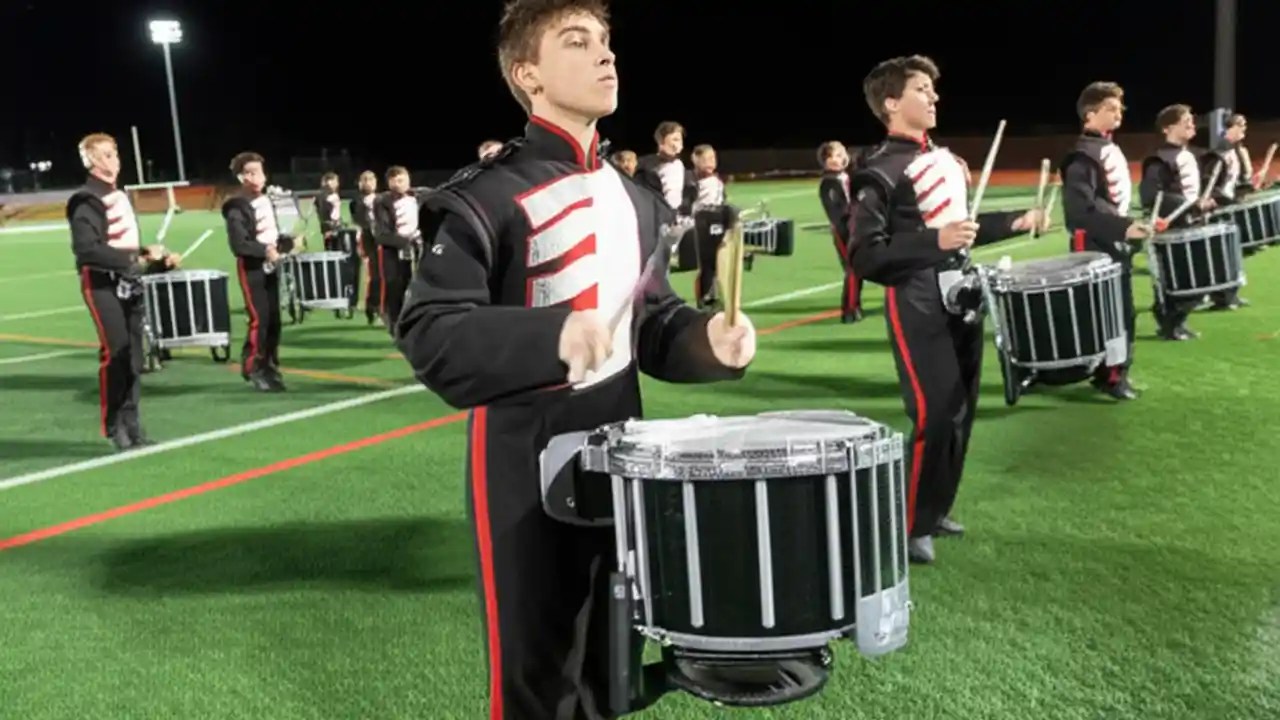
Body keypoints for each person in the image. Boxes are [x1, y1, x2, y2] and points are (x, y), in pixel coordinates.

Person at [395, 0, 756, 715]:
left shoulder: (638, 200)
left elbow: (652, 323)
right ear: (527, 74)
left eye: (607, 42)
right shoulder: (486, 196)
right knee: (538, 683)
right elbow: (429, 331)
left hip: (625, 458)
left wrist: (706, 342)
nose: (605, 56)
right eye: (578, 41)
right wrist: (549, 335)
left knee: (612, 672)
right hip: (525, 469)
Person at [847, 55, 1047, 565]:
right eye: (921, 89)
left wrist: (1018, 221)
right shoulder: (877, 172)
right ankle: (911, 523)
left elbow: (963, 228)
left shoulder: (945, 160)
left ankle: (935, 509)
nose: (934, 96)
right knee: (933, 415)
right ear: (892, 103)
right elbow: (865, 255)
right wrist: (934, 240)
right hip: (915, 298)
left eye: (934, 88)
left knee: (960, 412)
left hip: (961, 292)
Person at [68, 132, 181, 450]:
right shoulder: (86, 199)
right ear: (89, 160)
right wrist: (136, 257)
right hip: (102, 284)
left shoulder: (120, 196)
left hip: (128, 282)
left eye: (114, 154)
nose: (112, 161)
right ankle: (114, 423)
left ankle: (132, 424)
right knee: (116, 355)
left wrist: (157, 260)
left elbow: (127, 247)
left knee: (133, 357)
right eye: (103, 155)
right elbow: (87, 249)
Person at [1060, 81, 1151, 401]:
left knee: (1120, 308)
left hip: (1110, 238)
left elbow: (1110, 200)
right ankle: (1111, 375)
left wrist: (1130, 225)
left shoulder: (1104, 149)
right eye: (1111, 108)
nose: (1119, 113)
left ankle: (1112, 371)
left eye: (1120, 108)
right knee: (1109, 311)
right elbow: (1080, 211)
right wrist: (1123, 227)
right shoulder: (1082, 157)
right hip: (1095, 243)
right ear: (1090, 113)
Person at [1138, 104, 1215, 339]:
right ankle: (1169, 323)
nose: (1192, 124)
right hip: (1172, 229)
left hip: (1190, 225)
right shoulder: (1158, 160)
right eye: (1185, 121)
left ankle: (1177, 322)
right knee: (1176, 279)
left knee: (1194, 279)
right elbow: (1150, 195)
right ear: (1167, 128)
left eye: (1192, 120)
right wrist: (1191, 204)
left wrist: (1203, 203)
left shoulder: (1188, 155)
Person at [222, 151, 293, 392]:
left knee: (274, 320)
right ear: (241, 177)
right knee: (260, 318)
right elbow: (239, 245)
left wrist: (285, 243)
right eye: (250, 172)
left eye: (259, 171)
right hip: (252, 268)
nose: (257, 177)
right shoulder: (237, 207)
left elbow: (271, 233)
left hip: (270, 267)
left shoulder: (266, 200)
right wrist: (265, 251)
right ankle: (254, 367)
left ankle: (270, 363)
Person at [1201, 112, 1265, 309]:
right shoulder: (1219, 153)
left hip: (1229, 207)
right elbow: (1210, 186)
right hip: (1219, 210)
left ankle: (1230, 294)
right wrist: (1227, 201)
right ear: (1229, 128)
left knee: (1232, 253)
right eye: (1240, 126)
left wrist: (1249, 186)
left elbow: (1233, 183)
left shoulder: (1236, 151)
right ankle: (1220, 296)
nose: (1244, 129)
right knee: (1221, 254)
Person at [817, 140, 864, 323]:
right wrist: (849, 225)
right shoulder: (828, 183)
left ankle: (855, 305)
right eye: (830, 157)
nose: (836, 160)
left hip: (856, 228)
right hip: (844, 231)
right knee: (852, 268)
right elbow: (836, 211)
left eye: (838, 155)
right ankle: (849, 309)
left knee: (858, 268)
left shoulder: (846, 177)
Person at [372, 165, 418, 330]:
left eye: (401, 180)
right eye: (395, 181)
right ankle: (394, 322)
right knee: (395, 286)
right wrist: (404, 242)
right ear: (389, 183)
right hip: (393, 249)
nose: (399, 184)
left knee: (416, 285)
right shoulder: (383, 201)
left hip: (416, 247)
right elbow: (382, 233)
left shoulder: (418, 196)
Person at [690, 143, 731, 308]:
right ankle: (705, 296)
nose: (710, 162)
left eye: (712, 158)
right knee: (707, 263)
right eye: (705, 159)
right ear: (695, 159)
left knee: (717, 262)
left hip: (716, 223)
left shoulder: (717, 181)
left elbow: (722, 202)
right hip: (700, 225)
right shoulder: (691, 181)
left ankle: (713, 294)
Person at [350, 170, 381, 324]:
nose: (368, 182)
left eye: (371, 179)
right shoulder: (355, 202)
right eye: (365, 179)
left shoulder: (382, 200)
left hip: (382, 239)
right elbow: (360, 221)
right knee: (374, 273)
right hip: (367, 239)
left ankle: (383, 306)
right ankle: (372, 307)